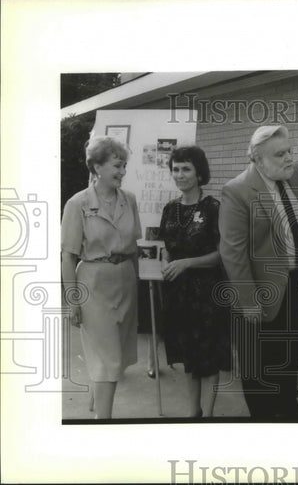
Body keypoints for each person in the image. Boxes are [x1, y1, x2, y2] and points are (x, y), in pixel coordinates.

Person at [219, 125, 298, 419]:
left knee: (289, 354)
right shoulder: (238, 190)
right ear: (257, 159)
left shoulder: (296, 176)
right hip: (258, 291)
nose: (289, 158)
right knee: (258, 365)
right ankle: (264, 420)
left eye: (290, 151)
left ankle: (288, 409)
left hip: (293, 285)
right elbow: (233, 252)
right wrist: (248, 300)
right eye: (280, 154)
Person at [61, 136, 141, 419]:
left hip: (125, 281)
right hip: (93, 285)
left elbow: (133, 248)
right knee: (109, 358)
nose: (122, 172)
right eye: (117, 166)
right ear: (96, 167)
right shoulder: (77, 204)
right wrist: (72, 303)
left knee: (114, 352)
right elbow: (68, 257)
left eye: (124, 166)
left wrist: (137, 284)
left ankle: (97, 402)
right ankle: (103, 422)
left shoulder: (129, 200)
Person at [159, 146, 230, 418]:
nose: (180, 174)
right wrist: (167, 262)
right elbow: (167, 247)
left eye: (186, 168)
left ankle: (208, 415)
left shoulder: (213, 208)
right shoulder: (169, 208)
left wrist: (187, 263)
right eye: (175, 169)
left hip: (207, 295)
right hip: (178, 294)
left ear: (199, 173)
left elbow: (221, 254)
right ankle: (193, 413)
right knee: (189, 358)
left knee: (208, 360)